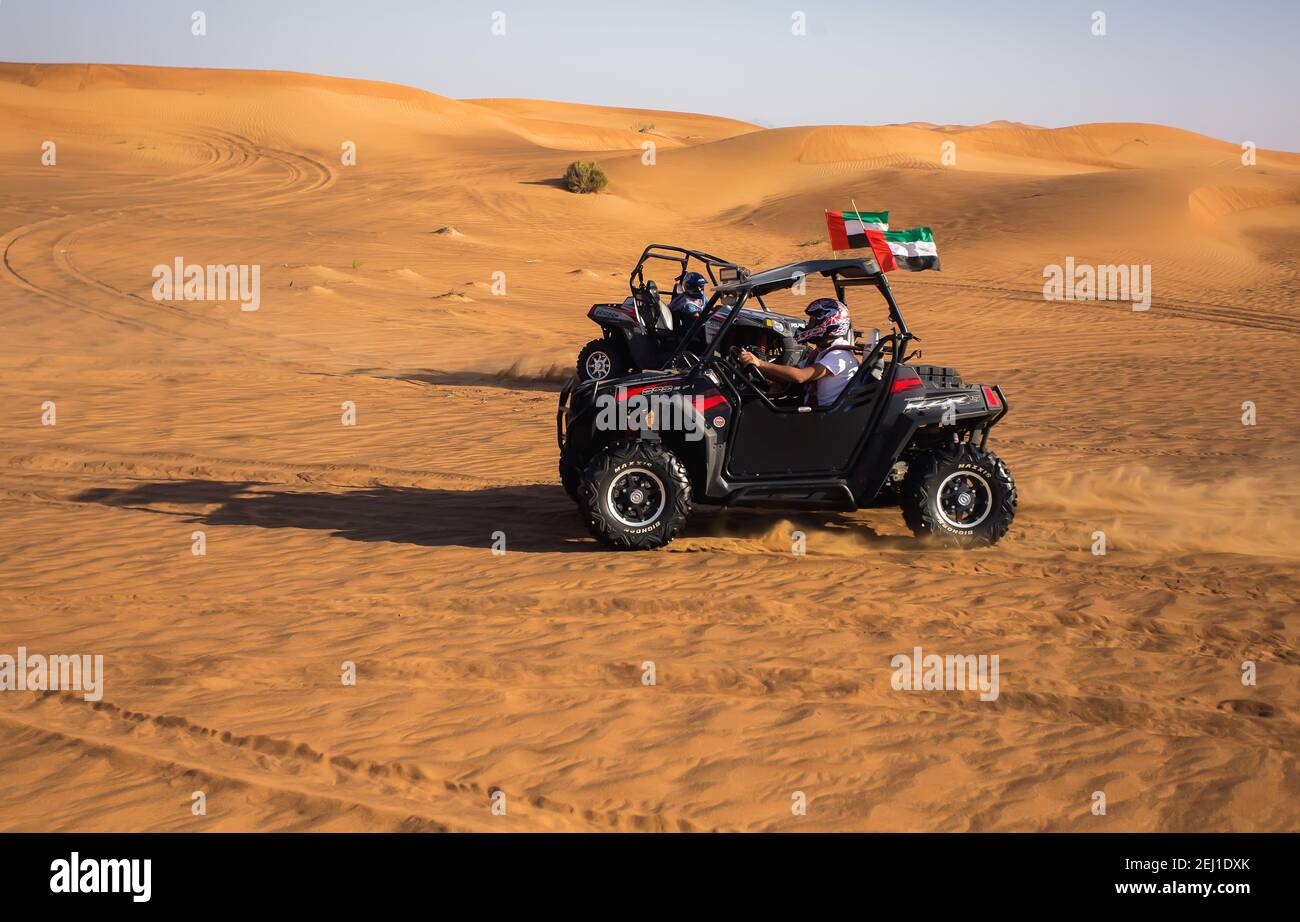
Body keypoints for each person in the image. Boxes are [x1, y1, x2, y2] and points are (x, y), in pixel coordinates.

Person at [735, 297, 857, 407]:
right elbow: (788, 376)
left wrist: (760, 363)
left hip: (823, 417)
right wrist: (755, 366)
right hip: (809, 407)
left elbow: (800, 376)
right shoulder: (821, 351)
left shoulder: (840, 355)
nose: (808, 326)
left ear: (828, 325)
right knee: (753, 405)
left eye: (812, 322)